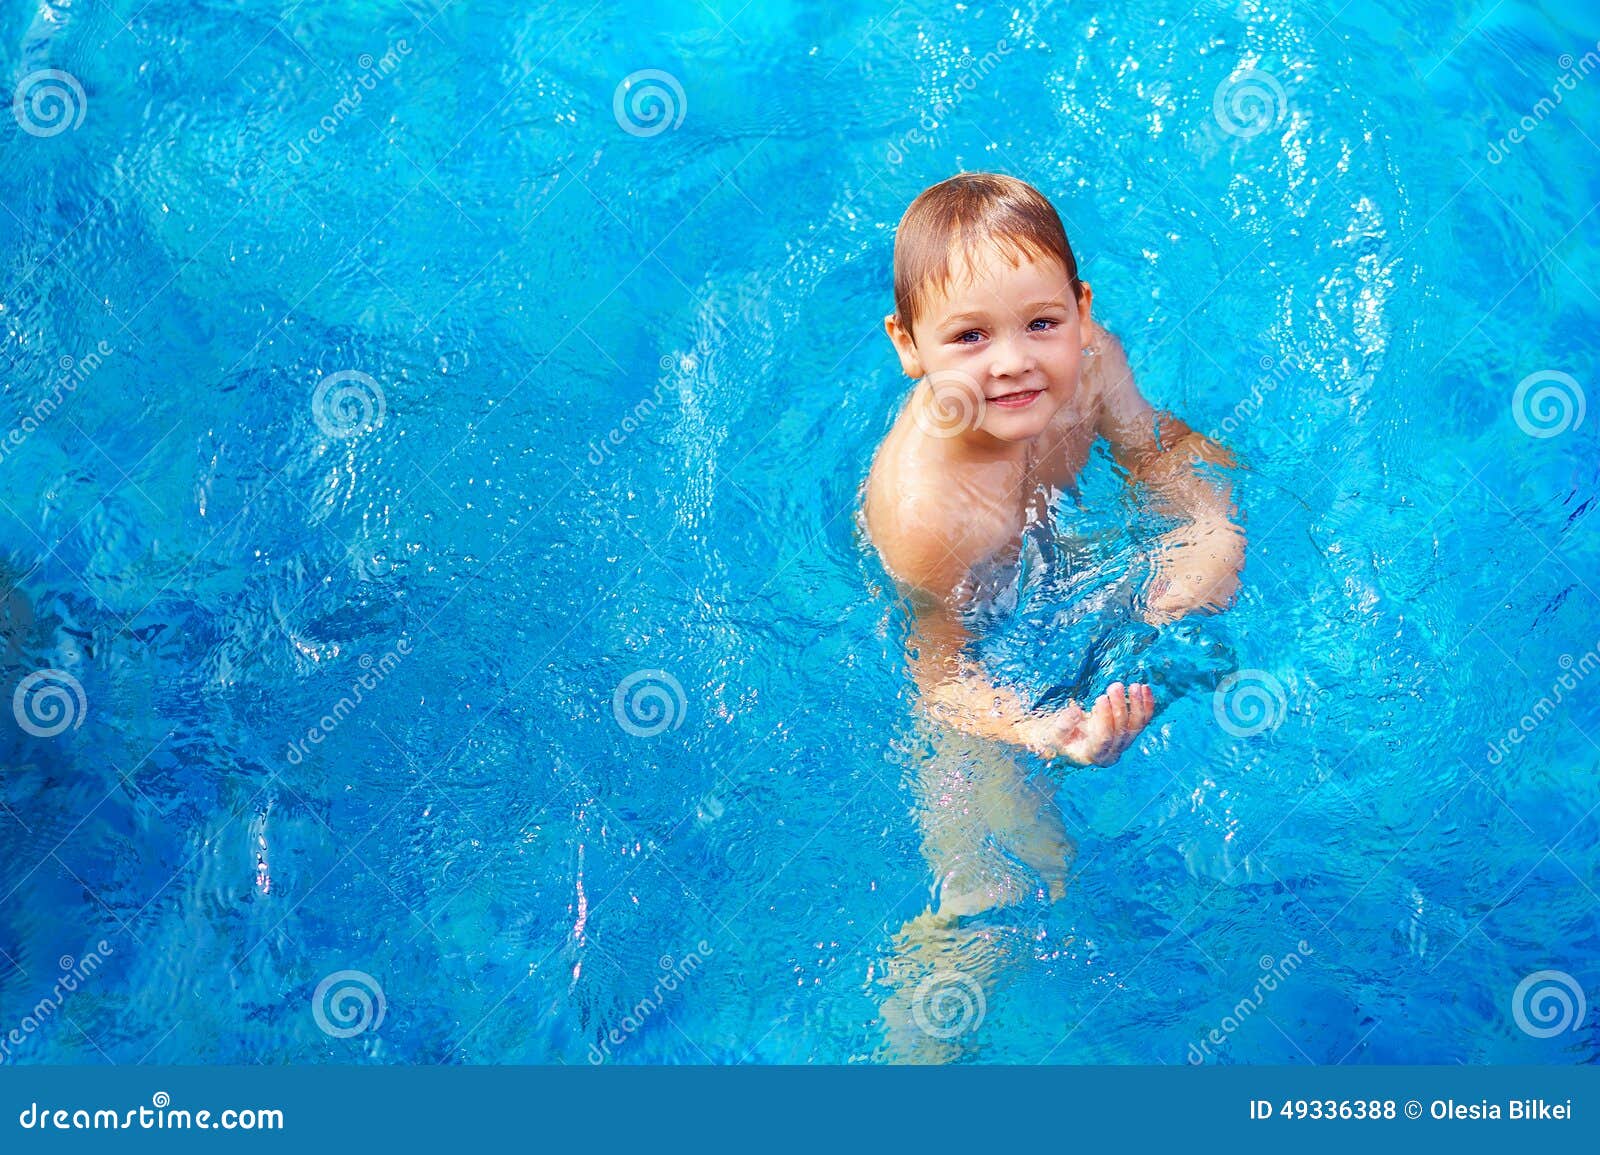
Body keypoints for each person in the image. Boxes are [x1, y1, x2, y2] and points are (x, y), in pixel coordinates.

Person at [859, 172, 1244, 1060]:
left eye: (1041, 322)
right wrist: (1039, 729)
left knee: (1207, 624)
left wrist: (1208, 529)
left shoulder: (1094, 361)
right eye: (969, 336)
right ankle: (915, 1040)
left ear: (1081, 308)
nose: (1014, 362)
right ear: (909, 346)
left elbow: (1157, 456)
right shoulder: (926, 515)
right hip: (965, 623)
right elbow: (942, 680)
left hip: (1061, 560)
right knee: (1008, 881)